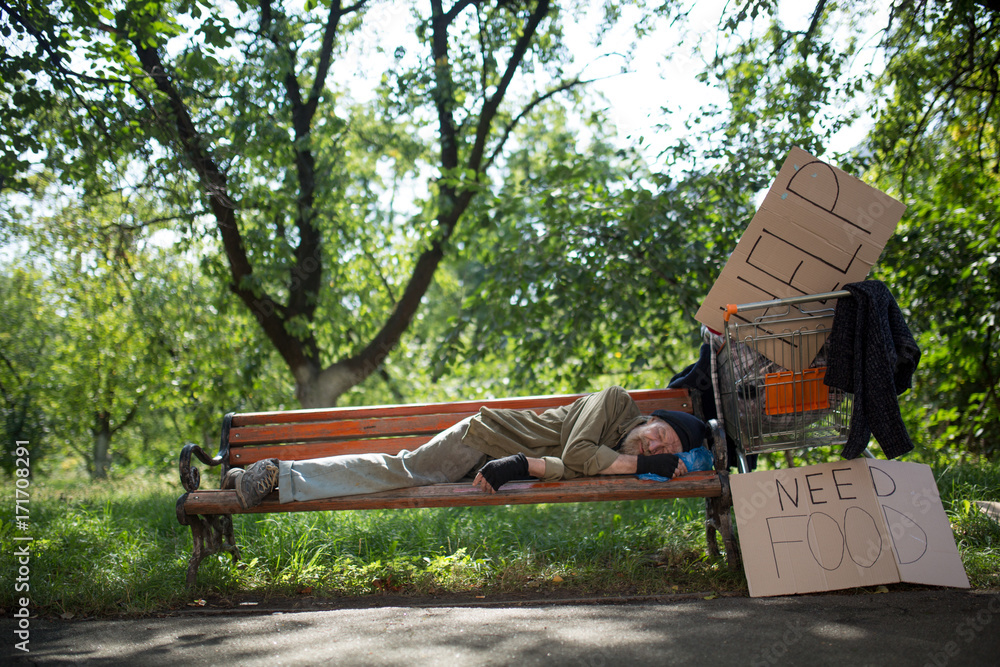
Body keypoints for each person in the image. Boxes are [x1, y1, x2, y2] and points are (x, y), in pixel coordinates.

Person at [224, 386, 709, 510]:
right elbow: (582, 458)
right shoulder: (615, 401)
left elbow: (581, 467)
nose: (656, 446)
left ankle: (247, 480)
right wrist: (644, 464)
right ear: (650, 418)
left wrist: (528, 465)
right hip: (482, 441)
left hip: (505, 462)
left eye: (666, 448)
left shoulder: (625, 454)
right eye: (661, 434)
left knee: (403, 471)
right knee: (404, 471)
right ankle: (277, 473)